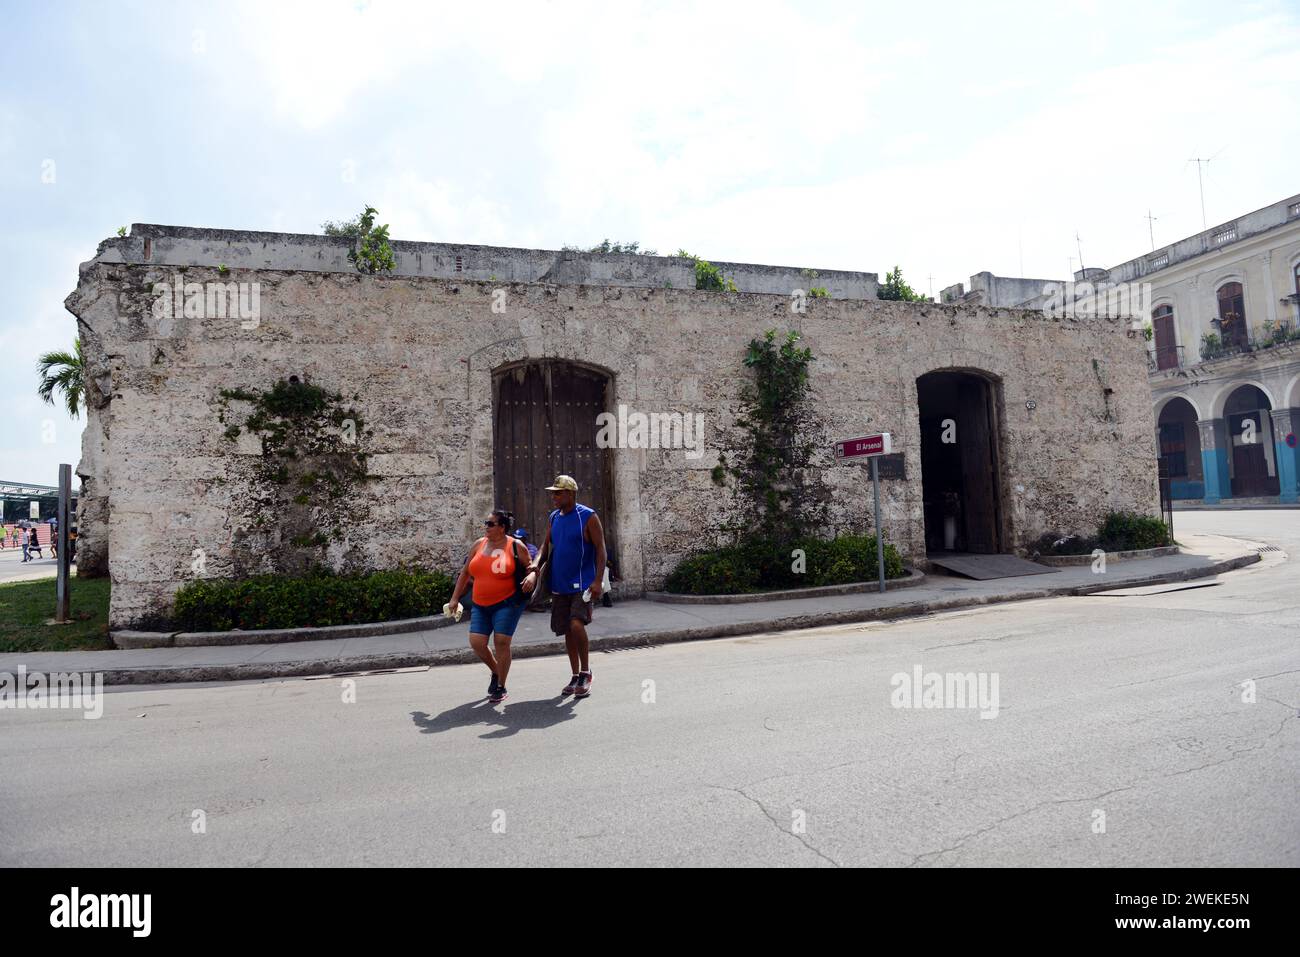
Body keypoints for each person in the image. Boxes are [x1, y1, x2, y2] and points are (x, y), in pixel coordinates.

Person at [524, 475, 606, 699]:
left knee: (576, 625)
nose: (553, 497)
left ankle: (586, 672)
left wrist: (598, 580)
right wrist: (534, 565)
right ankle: (574, 675)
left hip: (582, 583)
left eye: (558, 493)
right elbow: (544, 546)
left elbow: (601, 549)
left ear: (570, 494)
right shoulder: (553, 517)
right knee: (567, 631)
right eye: (553, 493)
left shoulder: (588, 516)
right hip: (559, 583)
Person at [447, 508, 533, 705]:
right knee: (477, 642)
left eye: (490, 524)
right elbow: (465, 573)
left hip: (507, 602)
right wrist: (454, 598)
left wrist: (532, 576)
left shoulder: (515, 546)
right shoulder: (479, 544)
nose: (486, 527)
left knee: (501, 641)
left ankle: (501, 686)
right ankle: (496, 670)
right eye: (486, 523)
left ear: (502, 528)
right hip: (480, 604)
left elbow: (530, 568)